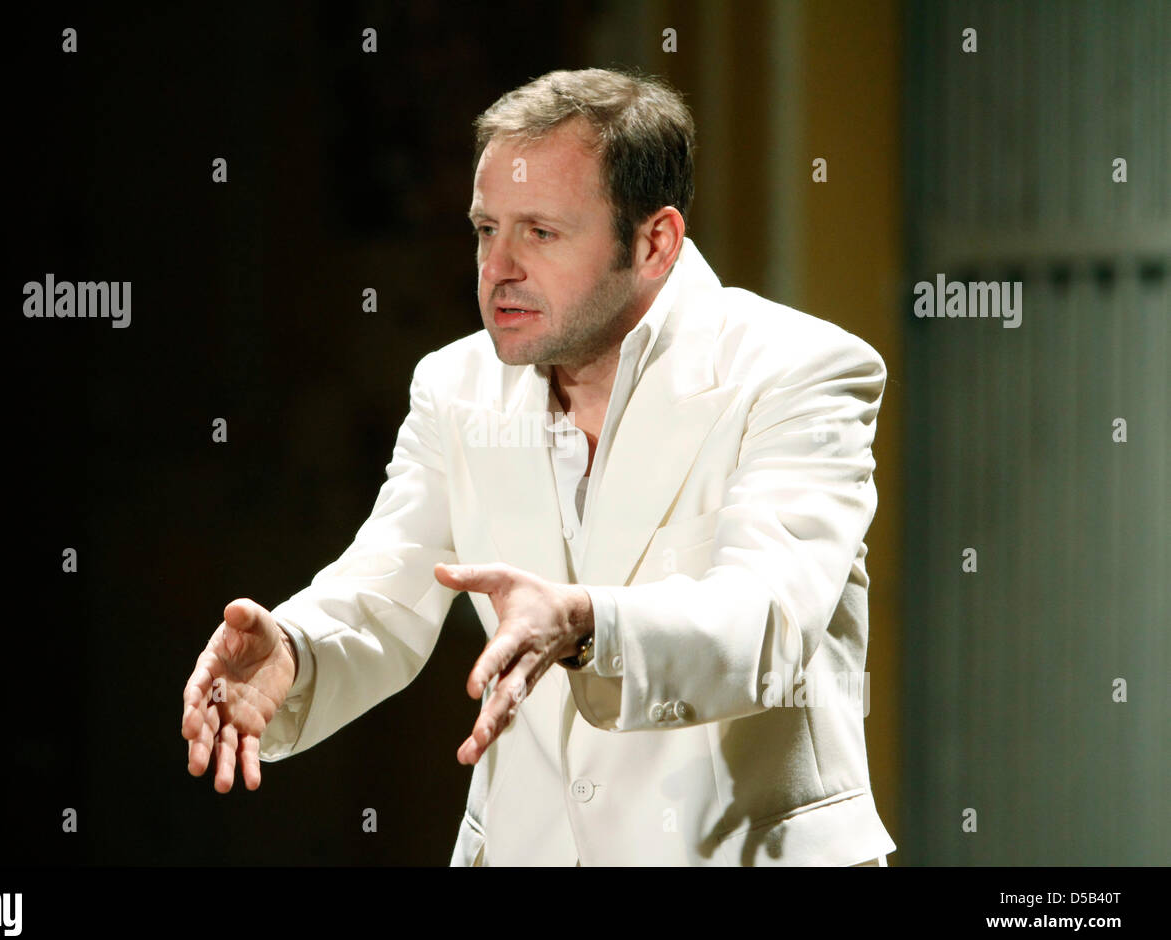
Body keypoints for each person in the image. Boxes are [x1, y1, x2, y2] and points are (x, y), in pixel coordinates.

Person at [181, 67, 896, 867]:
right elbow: (383, 594)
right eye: (487, 229)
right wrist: (296, 650)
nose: (498, 268)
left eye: (541, 233)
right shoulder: (454, 387)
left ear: (655, 241)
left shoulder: (800, 370)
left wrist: (587, 621)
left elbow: (766, 624)